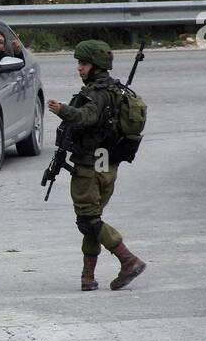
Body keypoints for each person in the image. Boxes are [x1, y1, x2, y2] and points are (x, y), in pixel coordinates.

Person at [47, 40, 147, 292]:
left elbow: (86, 117)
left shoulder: (96, 94)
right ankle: (88, 277)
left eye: (83, 63)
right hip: (107, 164)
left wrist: (63, 110)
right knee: (93, 220)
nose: (79, 68)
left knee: (88, 220)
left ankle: (128, 260)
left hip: (90, 166)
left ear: (96, 66)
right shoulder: (116, 90)